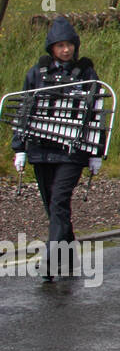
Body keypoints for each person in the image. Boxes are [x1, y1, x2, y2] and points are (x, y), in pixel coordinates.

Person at [11, 17, 100, 280]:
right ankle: (69, 255)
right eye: (60, 45)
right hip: (40, 148)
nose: (66, 50)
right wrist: (20, 149)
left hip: (72, 150)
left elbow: (97, 113)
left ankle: (50, 261)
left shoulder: (86, 74)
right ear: (51, 47)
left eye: (69, 44)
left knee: (60, 201)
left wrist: (96, 152)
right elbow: (24, 111)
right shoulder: (35, 74)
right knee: (52, 205)